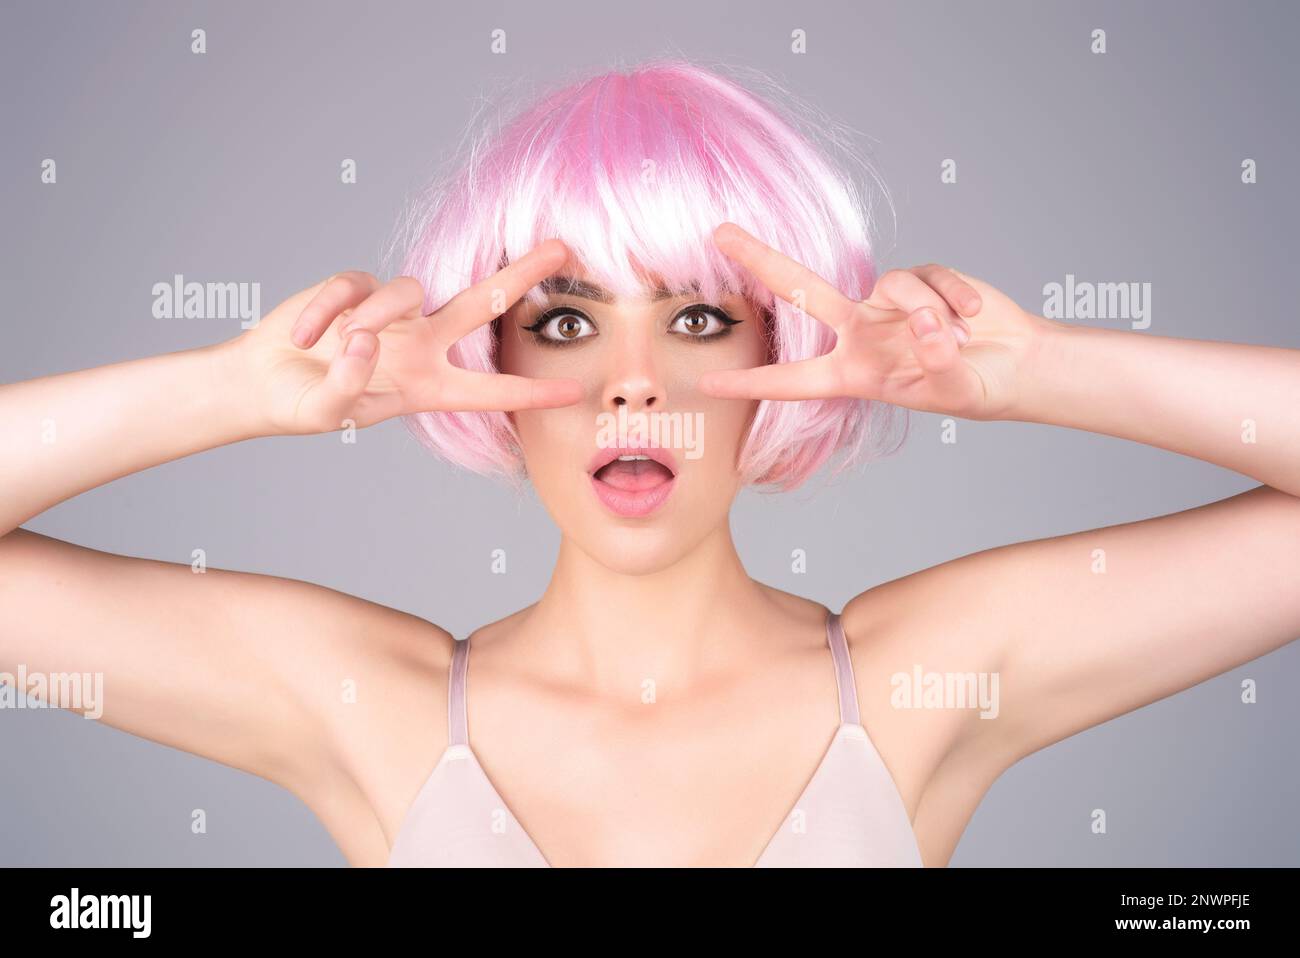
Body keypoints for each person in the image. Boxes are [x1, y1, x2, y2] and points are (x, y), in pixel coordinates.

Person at [3, 59, 1298, 868]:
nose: (634, 382)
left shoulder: (916, 683)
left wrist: (1030, 371)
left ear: (787, 347)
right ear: (487, 366)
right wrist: (241, 389)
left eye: (697, 316)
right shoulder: (369, 705)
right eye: (566, 322)